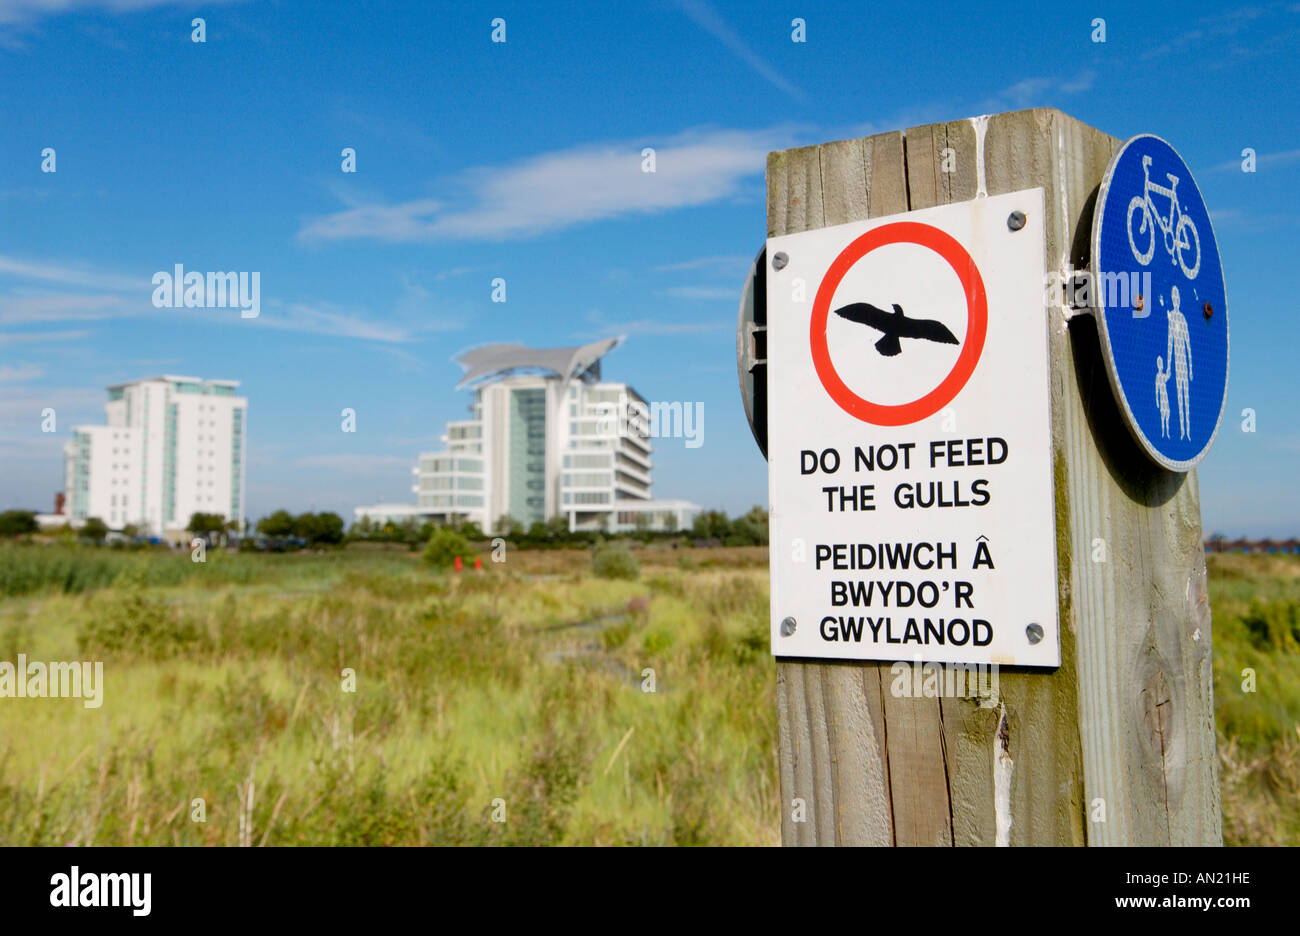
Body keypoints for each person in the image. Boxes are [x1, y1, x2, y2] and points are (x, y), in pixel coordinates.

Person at [1165, 286, 1193, 440]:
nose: (1176, 300)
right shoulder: (1172, 318)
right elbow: (1170, 342)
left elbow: (1188, 343)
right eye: (1174, 297)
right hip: (1176, 363)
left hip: (1183, 361)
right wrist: (1169, 366)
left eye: (1178, 297)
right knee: (1178, 396)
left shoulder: (1182, 318)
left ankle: (1187, 431)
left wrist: (1190, 368)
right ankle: (1182, 431)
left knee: (1186, 397)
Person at [1155, 356, 1171, 438]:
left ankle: (1167, 432)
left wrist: (1169, 370)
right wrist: (1157, 401)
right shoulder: (1158, 376)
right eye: (1160, 364)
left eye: (1161, 364)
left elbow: (1167, 377)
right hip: (1162, 398)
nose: (1161, 365)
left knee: (1168, 413)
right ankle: (1163, 432)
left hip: (1166, 397)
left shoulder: (1163, 375)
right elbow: (1156, 389)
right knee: (1162, 415)